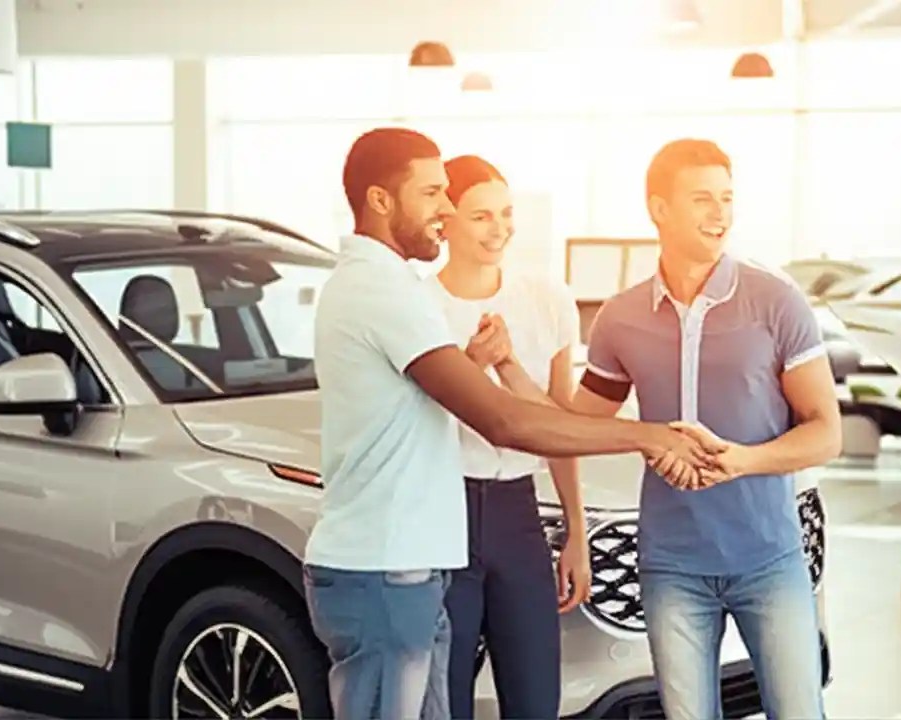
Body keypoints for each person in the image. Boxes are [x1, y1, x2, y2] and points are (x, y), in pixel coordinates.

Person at [305, 128, 722, 720]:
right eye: (432, 193)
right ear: (380, 200)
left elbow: (434, 406)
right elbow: (503, 420)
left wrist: (486, 365)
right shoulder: (383, 290)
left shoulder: (392, 287)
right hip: (384, 570)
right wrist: (647, 435)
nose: (445, 210)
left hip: (412, 565)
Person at [572, 138, 843, 720]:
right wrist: (646, 438)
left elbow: (826, 433)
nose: (719, 213)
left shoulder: (776, 300)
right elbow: (578, 427)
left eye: (726, 198)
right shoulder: (619, 318)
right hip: (672, 565)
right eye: (701, 199)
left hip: (768, 556)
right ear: (658, 208)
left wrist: (739, 461)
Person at [427, 155, 589, 719]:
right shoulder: (420, 305)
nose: (500, 229)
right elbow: (420, 424)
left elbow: (561, 425)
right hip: (443, 510)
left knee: (535, 698)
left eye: (506, 213)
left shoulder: (546, 300)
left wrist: (576, 532)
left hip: (519, 515)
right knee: (444, 701)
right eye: (480, 216)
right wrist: (475, 369)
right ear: (444, 221)